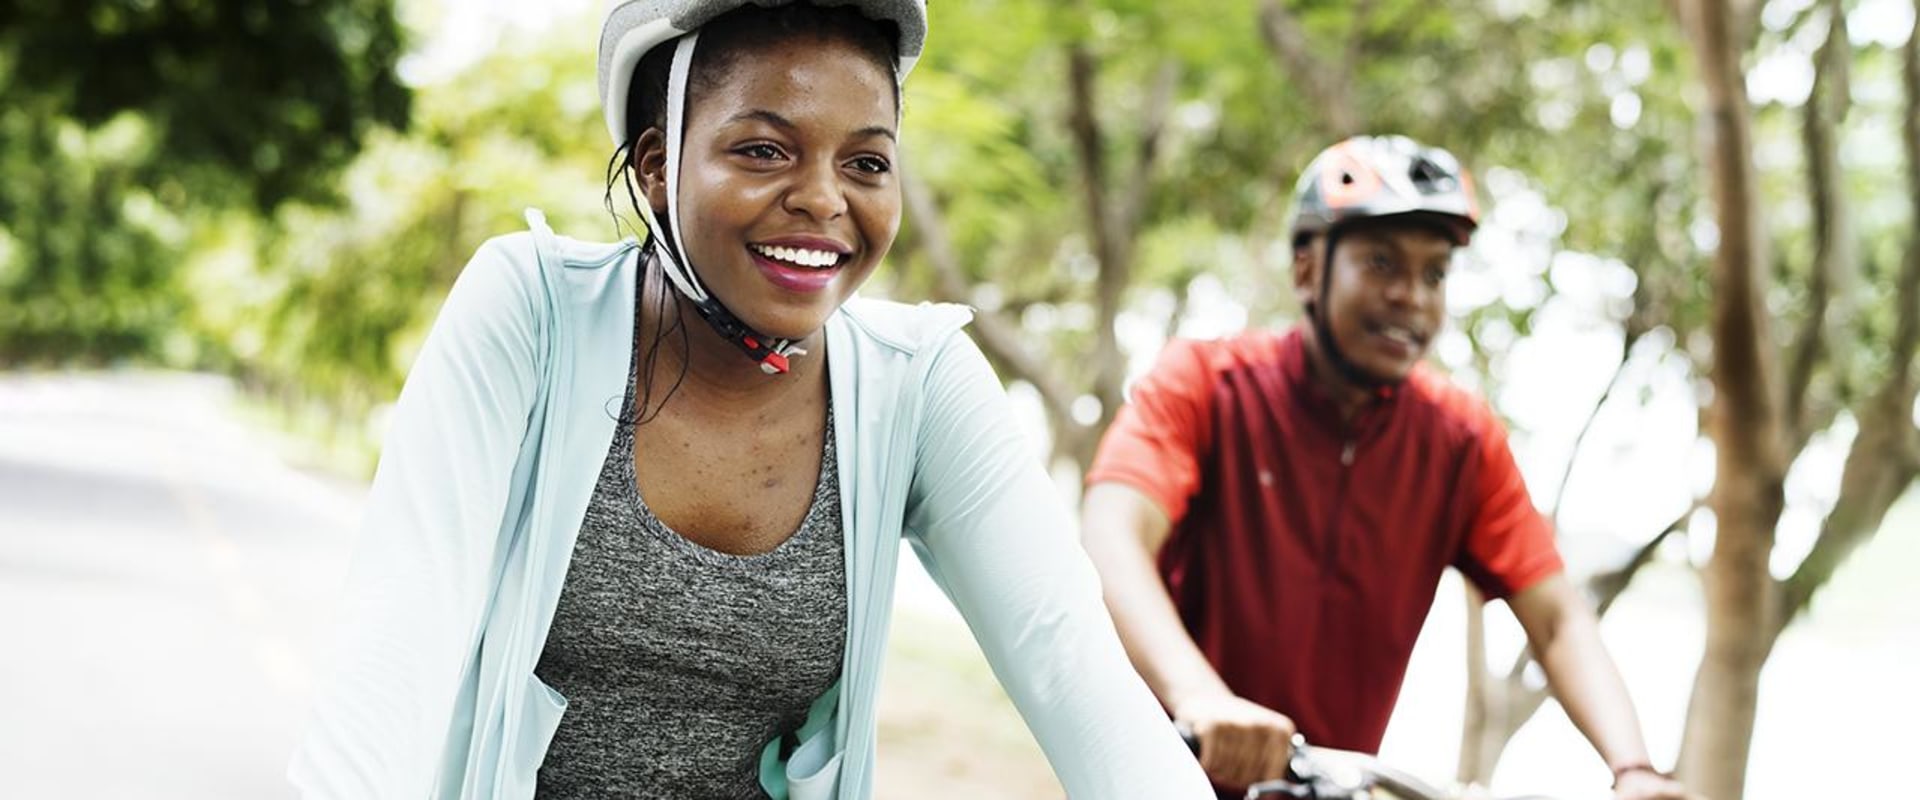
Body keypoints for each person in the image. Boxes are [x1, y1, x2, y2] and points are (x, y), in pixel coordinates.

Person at [287, 2, 1211, 798]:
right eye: (764, 149)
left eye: (867, 163)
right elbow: (399, 637)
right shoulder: (531, 311)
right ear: (657, 165)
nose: (823, 200)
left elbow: (1070, 662)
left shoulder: (920, 383)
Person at [1080, 135, 1695, 800]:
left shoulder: (1460, 443)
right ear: (1307, 270)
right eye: (1381, 263)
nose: (1412, 297)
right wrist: (1199, 695)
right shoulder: (1206, 384)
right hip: (1157, 777)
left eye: (1435, 274)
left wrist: (1633, 768)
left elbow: (1557, 621)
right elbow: (1112, 537)